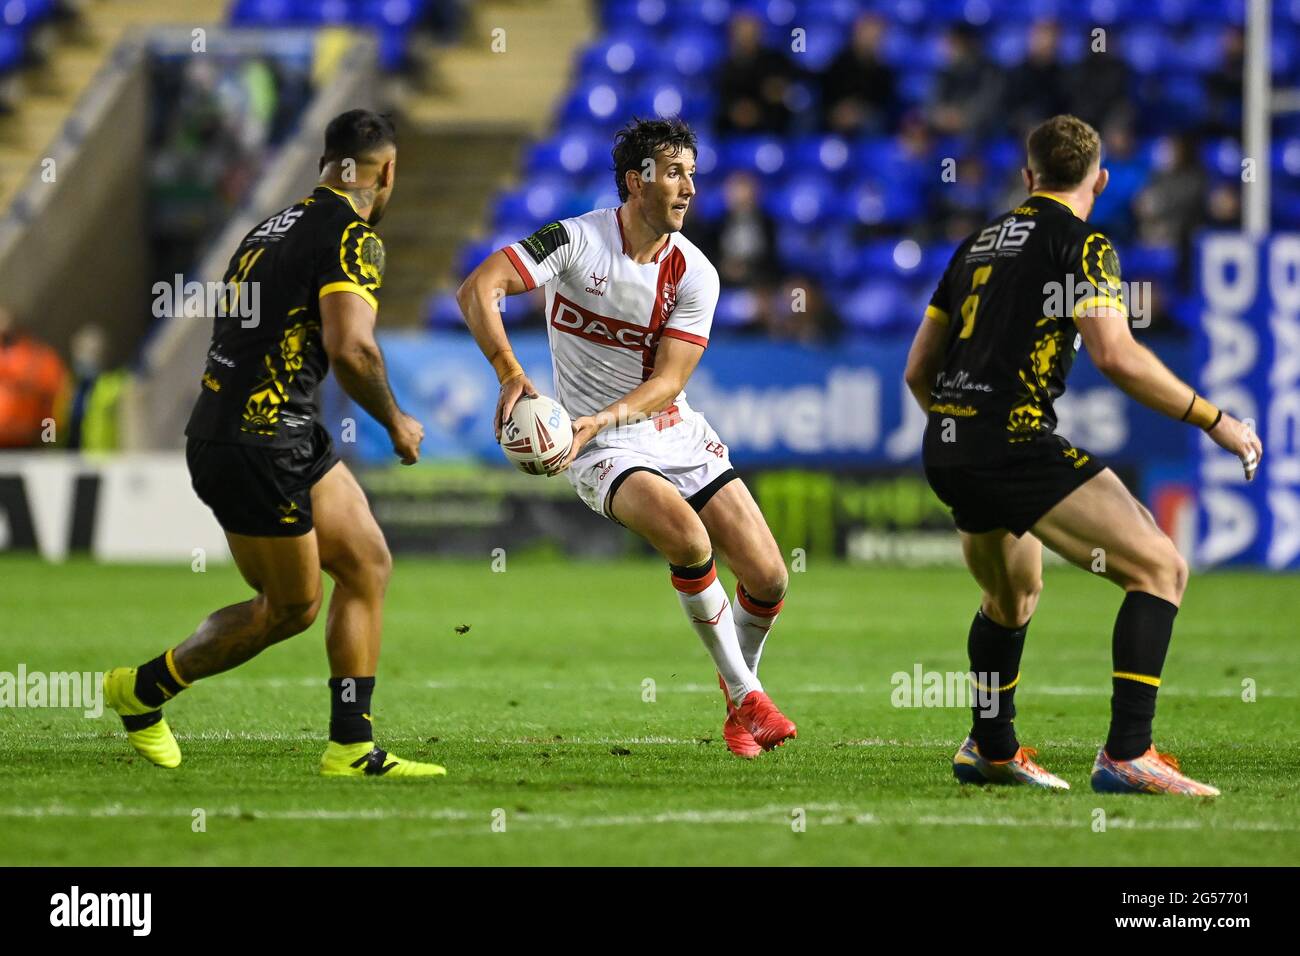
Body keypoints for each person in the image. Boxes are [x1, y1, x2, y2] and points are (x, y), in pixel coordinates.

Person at [904, 115, 1262, 796]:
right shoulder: (1084, 243)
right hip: (1010, 442)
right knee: (1160, 567)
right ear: (1098, 179)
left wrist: (961, 430)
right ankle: (1129, 753)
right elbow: (1115, 355)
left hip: (947, 442)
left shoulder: (976, 244)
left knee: (1011, 595)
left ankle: (990, 746)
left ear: (1027, 177)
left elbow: (920, 368)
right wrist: (1217, 421)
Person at [103, 109, 442, 778]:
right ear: (388, 171)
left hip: (267, 429)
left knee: (367, 562)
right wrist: (397, 421)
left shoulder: (267, 228)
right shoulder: (353, 236)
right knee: (290, 609)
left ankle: (351, 746)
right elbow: (351, 347)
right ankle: (142, 690)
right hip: (259, 442)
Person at [457, 117, 796, 759]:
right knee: (688, 538)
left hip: (667, 429)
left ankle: (737, 702)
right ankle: (748, 695)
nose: (689, 187)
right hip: (598, 448)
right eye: (674, 173)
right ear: (634, 183)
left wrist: (606, 415)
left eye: (693, 174)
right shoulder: (575, 240)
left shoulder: (696, 273)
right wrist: (511, 374)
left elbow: (669, 381)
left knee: (770, 576)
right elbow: (480, 287)